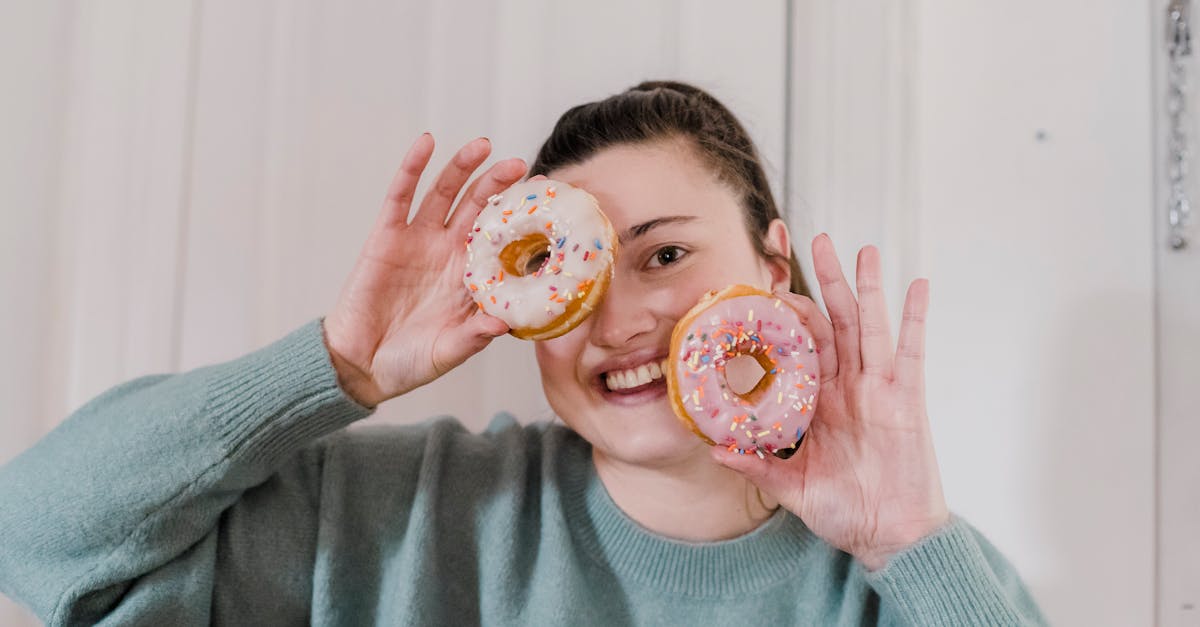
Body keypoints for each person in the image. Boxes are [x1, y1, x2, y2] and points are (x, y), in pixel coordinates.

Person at [0, 81, 1046, 625]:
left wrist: (911, 545)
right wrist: (335, 367)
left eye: (666, 254)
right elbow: (35, 534)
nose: (620, 321)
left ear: (774, 267)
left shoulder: (906, 571)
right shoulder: (402, 516)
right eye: (576, 276)